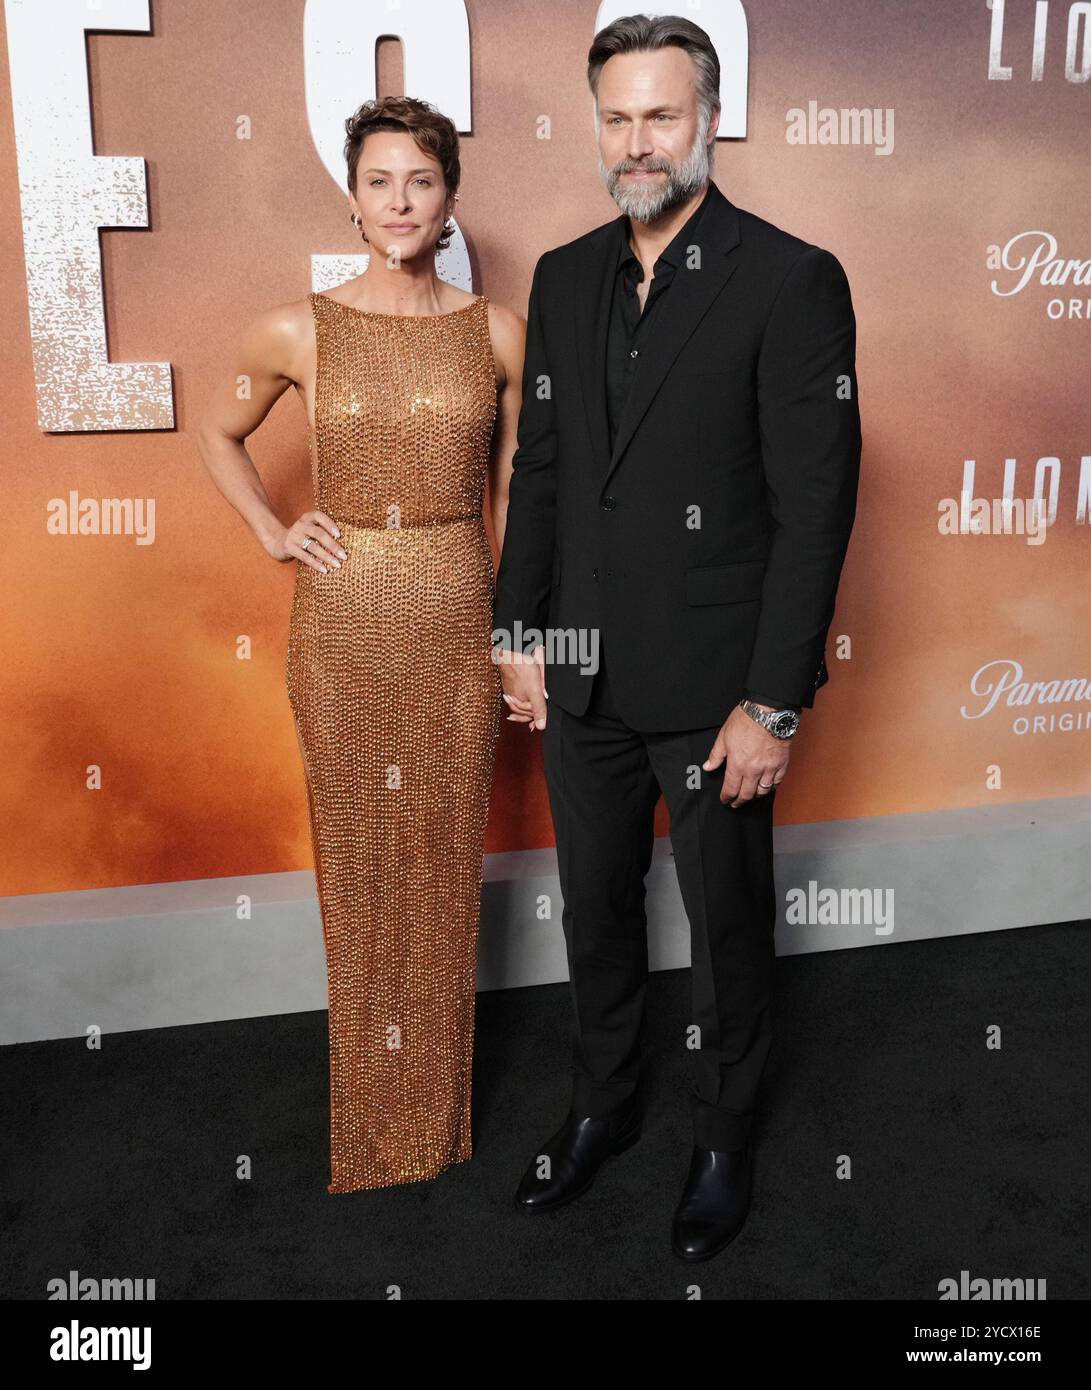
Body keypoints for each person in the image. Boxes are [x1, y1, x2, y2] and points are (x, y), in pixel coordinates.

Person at [494, 14, 861, 1259]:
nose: (635, 141)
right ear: (594, 125)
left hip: (717, 695)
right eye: (616, 116)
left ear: (710, 117)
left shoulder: (788, 275)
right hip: (581, 675)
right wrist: (514, 630)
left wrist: (773, 702)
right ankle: (601, 1108)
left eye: (660, 114)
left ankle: (720, 1136)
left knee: (724, 931)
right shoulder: (559, 273)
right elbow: (540, 472)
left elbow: (815, 508)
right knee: (591, 916)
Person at [198, 95, 525, 1194]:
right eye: (379, 181)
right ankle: (371, 1126)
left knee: (439, 864)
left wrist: (517, 633)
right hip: (339, 627)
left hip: (452, 614)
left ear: (448, 199)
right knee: (359, 863)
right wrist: (272, 529)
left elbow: (516, 497)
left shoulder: (494, 333)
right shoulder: (297, 328)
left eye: (420, 182)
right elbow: (222, 430)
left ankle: (432, 1119)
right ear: (352, 200)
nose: (400, 201)